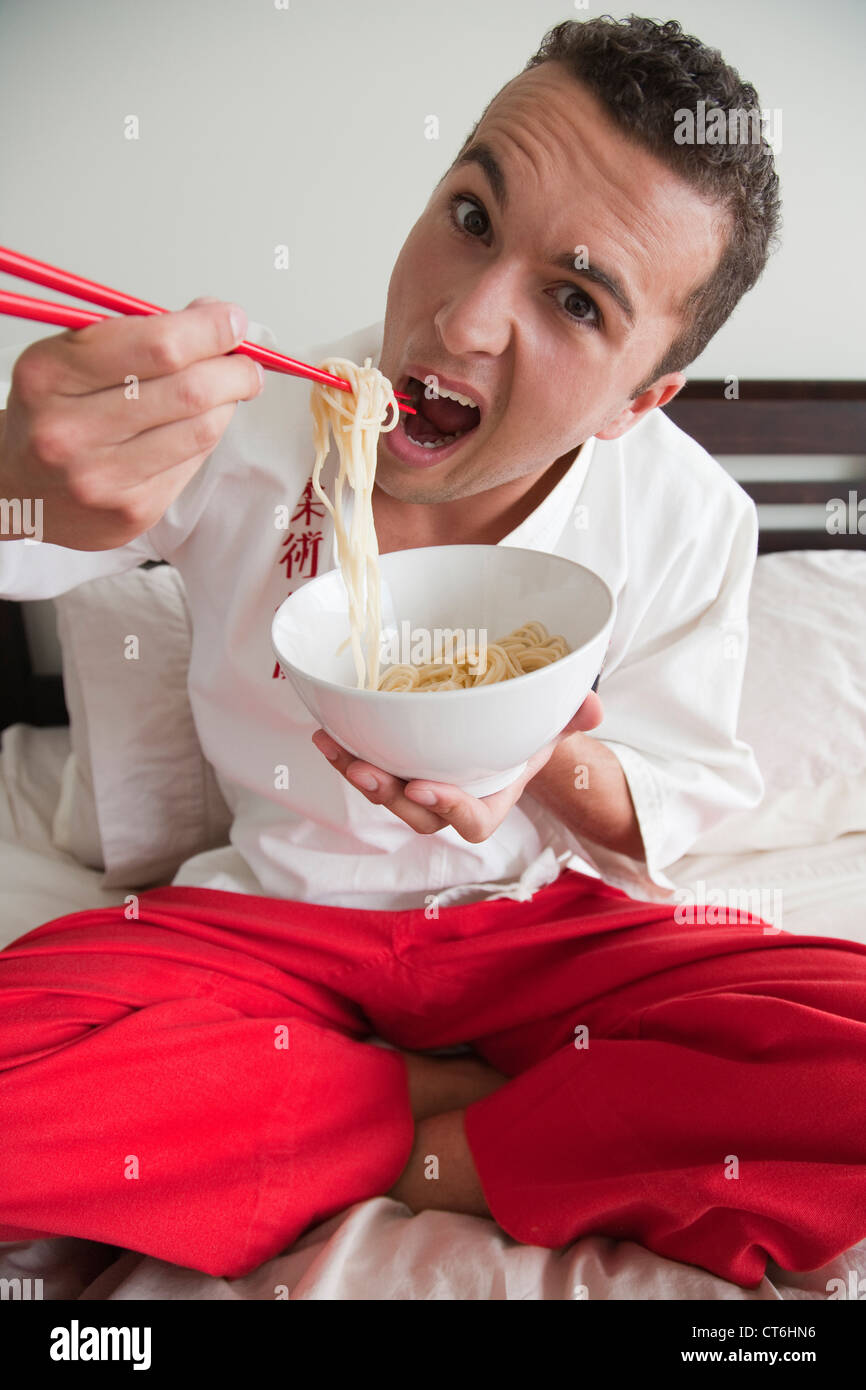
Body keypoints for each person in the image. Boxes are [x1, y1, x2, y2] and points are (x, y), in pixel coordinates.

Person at [1, 16, 865, 1291]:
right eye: (470, 214)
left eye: (574, 300)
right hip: (273, 924)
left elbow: (670, 795)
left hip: (540, 934)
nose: (461, 324)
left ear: (641, 398)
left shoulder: (686, 515)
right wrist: (19, 487)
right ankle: (463, 1118)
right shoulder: (242, 427)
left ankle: (359, 1135)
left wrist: (538, 769)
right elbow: (23, 537)